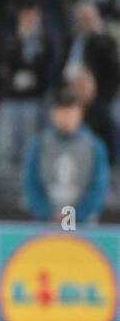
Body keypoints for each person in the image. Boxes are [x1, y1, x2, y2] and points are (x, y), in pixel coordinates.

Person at [23, 87, 110, 224]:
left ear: (80, 113)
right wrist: (46, 213)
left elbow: (98, 188)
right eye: (61, 110)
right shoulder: (39, 145)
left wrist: (76, 216)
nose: (65, 116)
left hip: (84, 224)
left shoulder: (94, 146)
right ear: (52, 113)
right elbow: (30, 183)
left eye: (70, 110)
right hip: (46, 223)